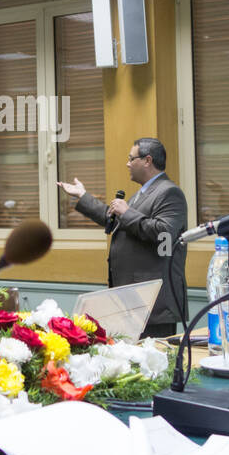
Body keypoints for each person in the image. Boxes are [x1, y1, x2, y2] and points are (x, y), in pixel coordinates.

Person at [57, 137, 188, 337]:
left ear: (147, 160)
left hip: (154, 302)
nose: (127, 164)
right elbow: (119, 222)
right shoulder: (141, 194)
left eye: (131, 158)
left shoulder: (169, 192)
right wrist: (83, 196)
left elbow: (164, 233)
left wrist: (127, 212)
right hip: (133, 299)